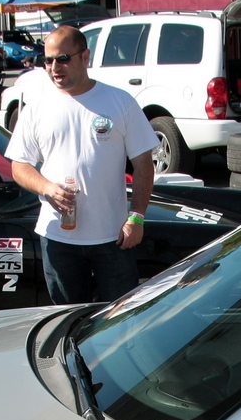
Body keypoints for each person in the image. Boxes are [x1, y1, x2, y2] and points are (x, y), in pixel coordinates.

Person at [8, 25, 157, 304]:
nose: (54, 67)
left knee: (119, 320)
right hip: (57, 238)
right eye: (48, 61)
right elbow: (19, 166)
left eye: (63, 58)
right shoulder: (37, 108)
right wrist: (47, 188)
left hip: (113, 237)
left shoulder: (119, 101)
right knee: (67, 321)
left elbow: (143, 163)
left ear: (85, 56)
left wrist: (137, 216)